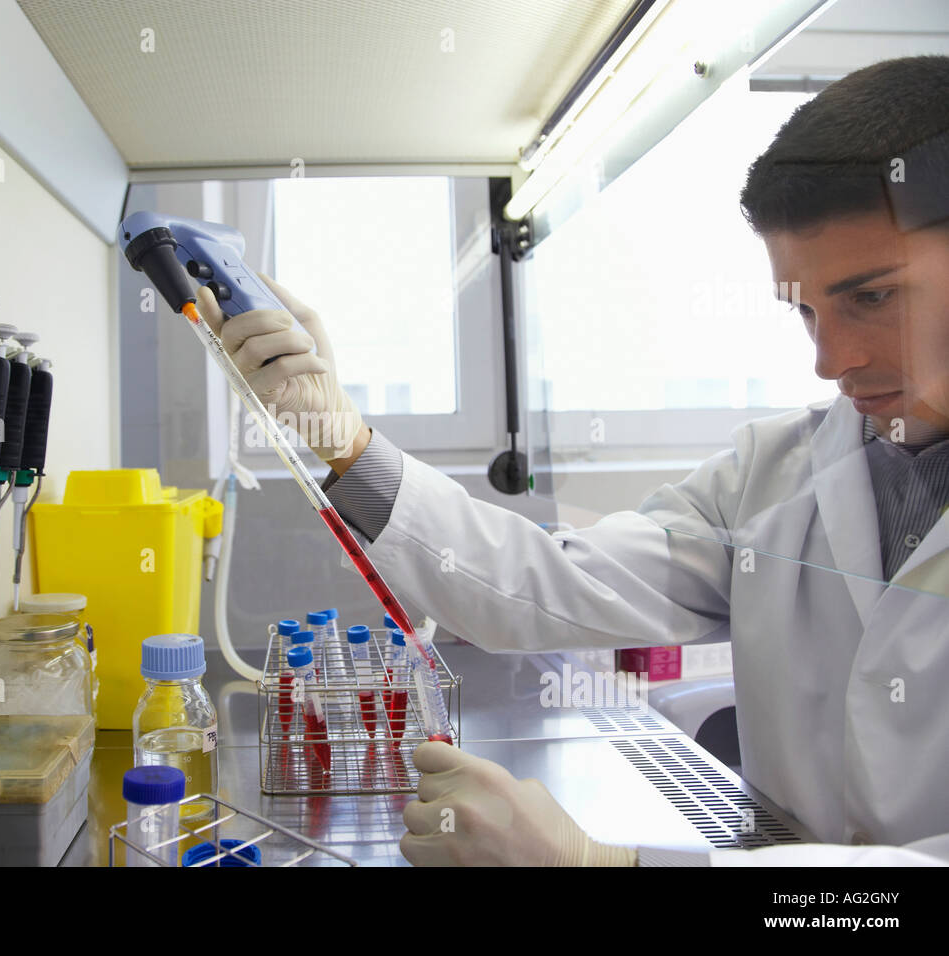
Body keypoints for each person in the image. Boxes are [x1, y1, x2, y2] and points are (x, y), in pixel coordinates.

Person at [193, 56, 949, 865]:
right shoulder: (776, 474)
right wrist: (336, 434)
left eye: (872, 297)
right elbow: (546, 581)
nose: (830, 361)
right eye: (806, 311)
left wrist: (601, 866)